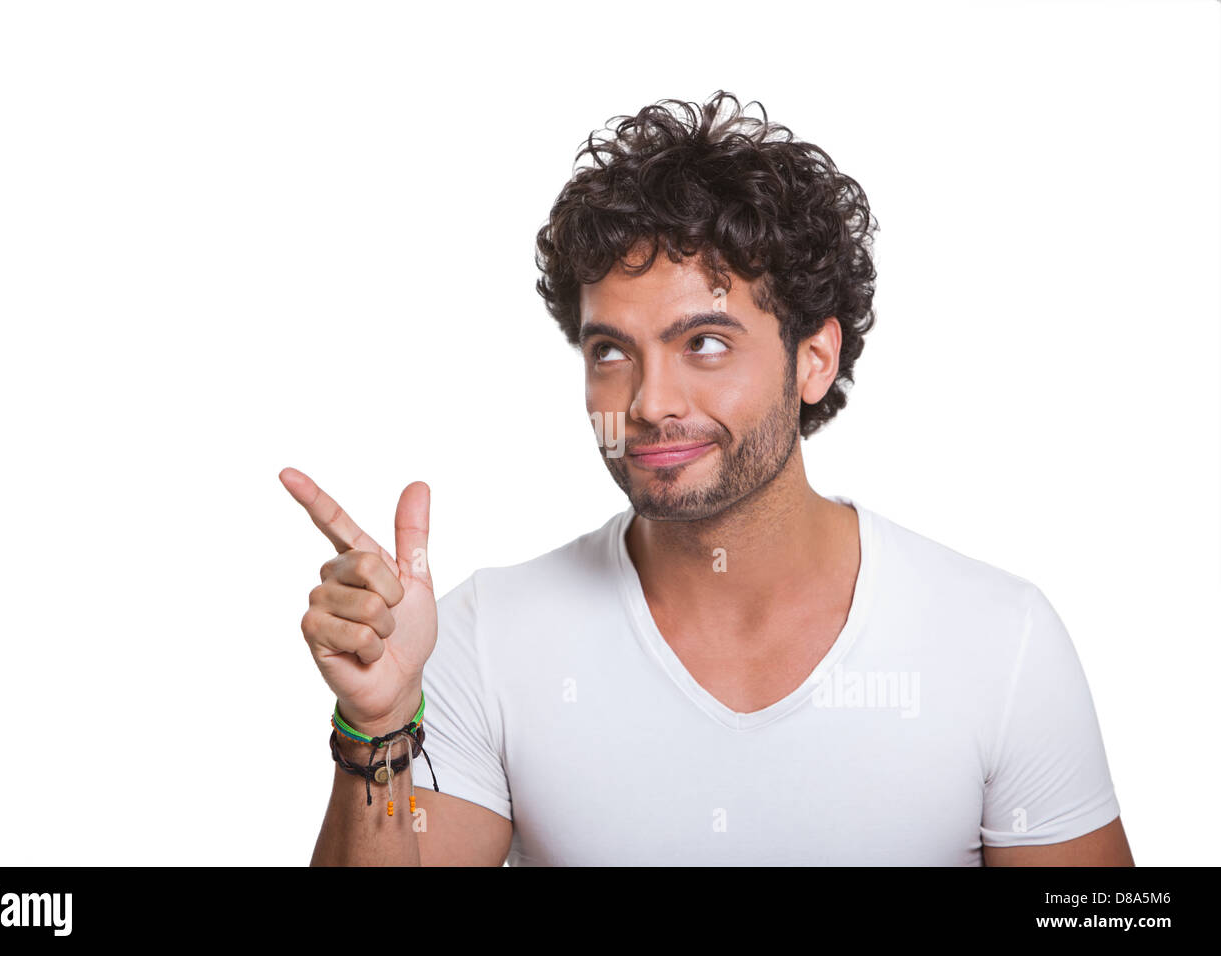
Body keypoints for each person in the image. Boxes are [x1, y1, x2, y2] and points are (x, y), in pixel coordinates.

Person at [280, 91, 1133, 866]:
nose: (649, 403)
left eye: (707, 344)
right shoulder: (483, 636)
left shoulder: (997, 638)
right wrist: (381, 724)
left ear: (814, 359)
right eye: (610, 351)